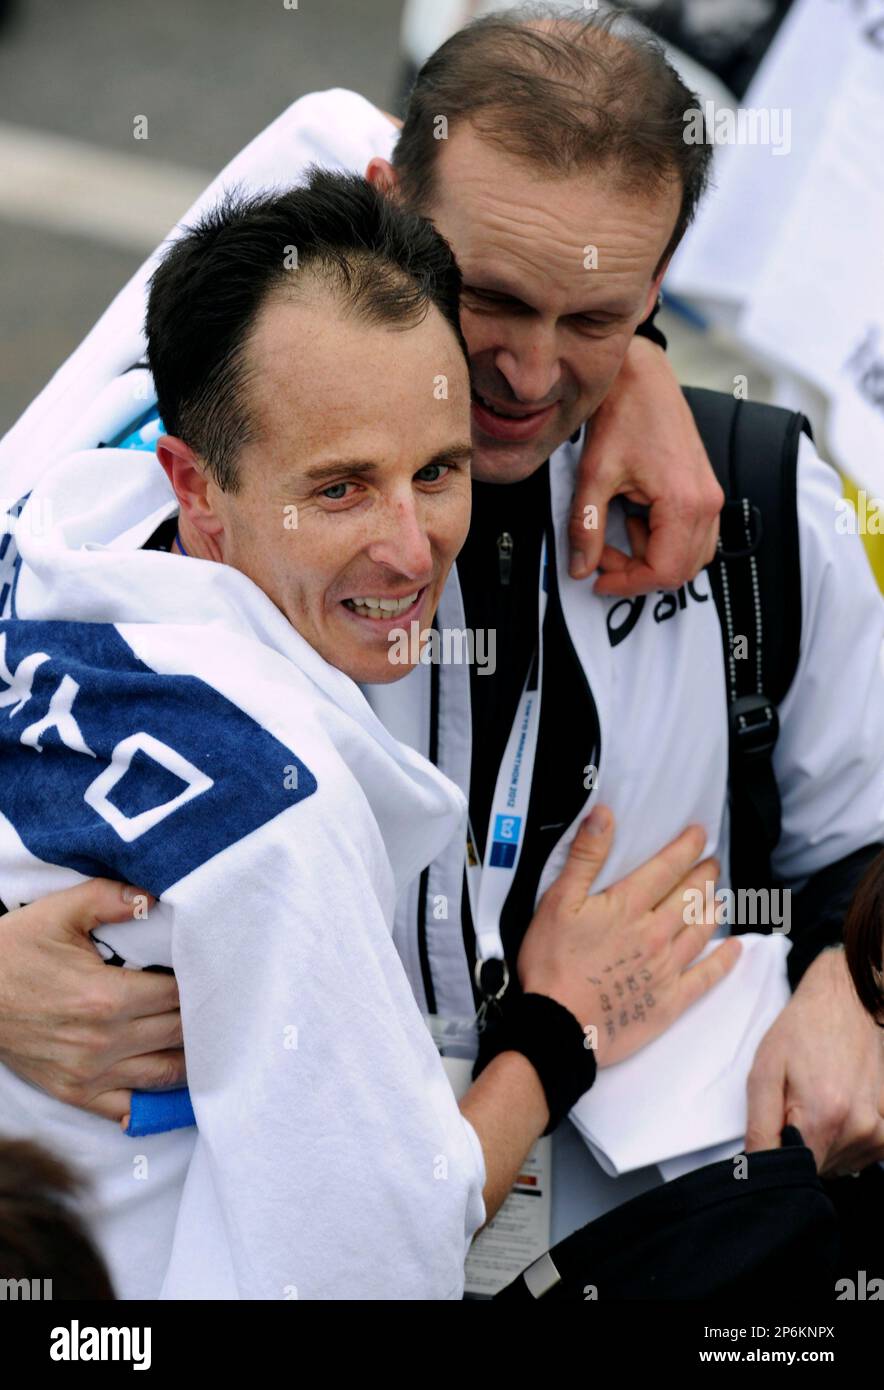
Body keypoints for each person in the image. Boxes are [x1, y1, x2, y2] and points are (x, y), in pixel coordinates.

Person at [2, 5, 882, 1240]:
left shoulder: (759, 501)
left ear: (655, 290)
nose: (528, 372)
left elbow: (862, 835)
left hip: (664, 1241)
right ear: (388, 210)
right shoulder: (199, 484)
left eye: (592, 319)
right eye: (492, 301)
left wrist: (857, 985)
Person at [0, 171, 737, 1299]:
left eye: (437, 471)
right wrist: (558, 1029)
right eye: (340, 489)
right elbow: (383, 1262)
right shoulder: (279, 825)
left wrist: (631, 360)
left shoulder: (59, 506)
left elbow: (427, 137)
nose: (410, 550)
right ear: (194, 484)